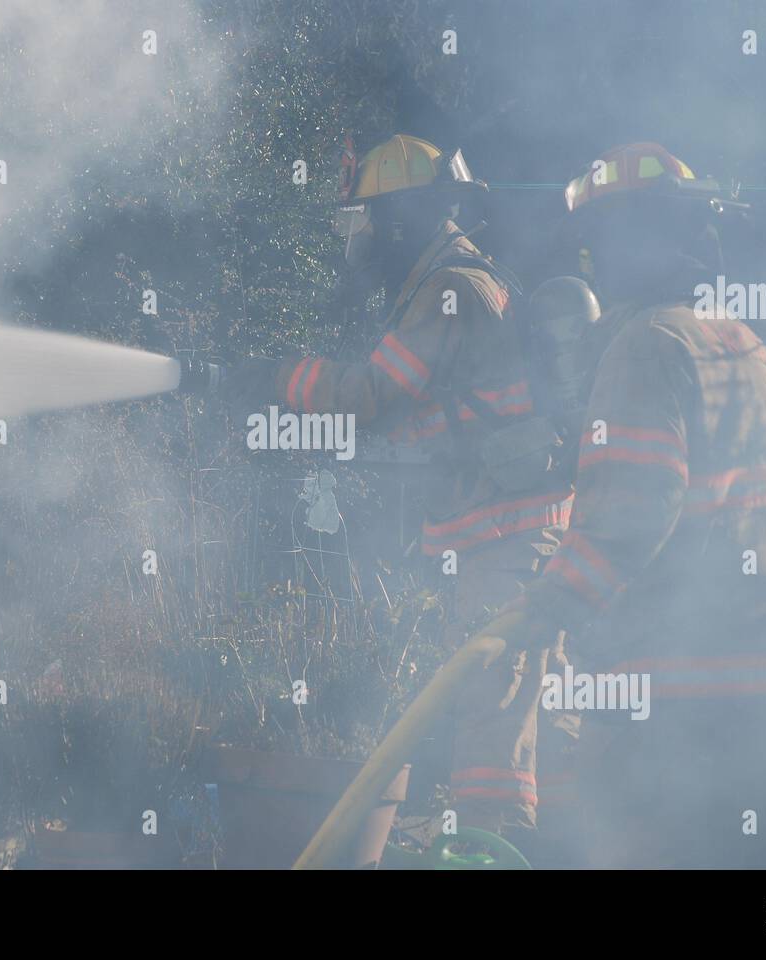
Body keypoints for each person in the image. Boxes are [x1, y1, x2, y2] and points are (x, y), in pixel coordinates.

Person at [223, 134, 576, 836]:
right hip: (510, 524)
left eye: (365, 219)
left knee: (494, 698)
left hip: (505, 529)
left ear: (401, 218)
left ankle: (487, 845)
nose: (358, 238)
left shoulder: (448, 290)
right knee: (534, 699)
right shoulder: (458, 278)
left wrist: (275, 377)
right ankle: (559, 843)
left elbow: (372, 393)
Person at [474, 143, 766, 867]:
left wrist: (548, 607)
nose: (594, 261)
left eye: (599, 242)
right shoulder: (762, 356)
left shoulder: (648, 343)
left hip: (666, 694)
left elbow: (635, 506)